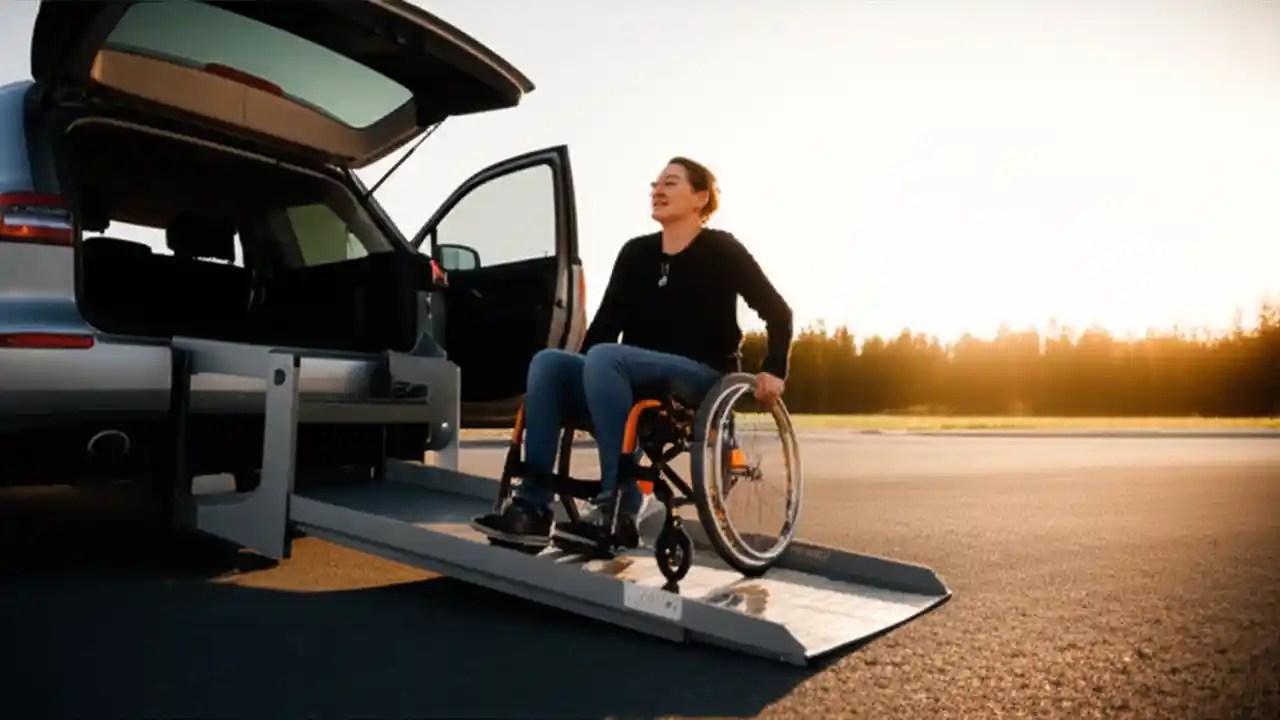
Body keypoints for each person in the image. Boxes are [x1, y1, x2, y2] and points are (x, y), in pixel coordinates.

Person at [470, 156, 793, 552]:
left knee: (608, 357)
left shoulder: (721, 249)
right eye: (655, 184)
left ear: (700, 197)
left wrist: (774, 368)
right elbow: (604, 326)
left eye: (670, 183)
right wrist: (582, 375)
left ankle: (619, 505)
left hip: (701, 377)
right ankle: (532, 507)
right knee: (549, 363)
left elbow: (778, 311)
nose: (658, 190)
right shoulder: (636, 253)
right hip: (627, 371)